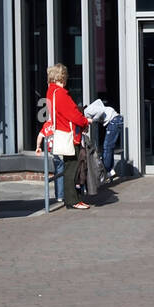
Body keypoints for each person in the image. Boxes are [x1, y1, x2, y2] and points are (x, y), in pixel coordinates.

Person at [46, 63, 92, 210]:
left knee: (68, 167)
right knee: (72, 167)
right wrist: (85, 121)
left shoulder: (51, 92)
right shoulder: (60, 94)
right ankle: (72, 200)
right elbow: (73, 114)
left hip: (61, 132)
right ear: (62, 77)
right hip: (69, 135)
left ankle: (71, 199)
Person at [84, 98, 123, 178]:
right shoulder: (90, 109)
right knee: (110, 147)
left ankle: (106, 170)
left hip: (113, 121)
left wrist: (93, 120)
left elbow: (101, 111)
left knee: (107, 146)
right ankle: (111, 171)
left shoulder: (86, 112)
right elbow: (99, 101)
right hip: (116, 119)